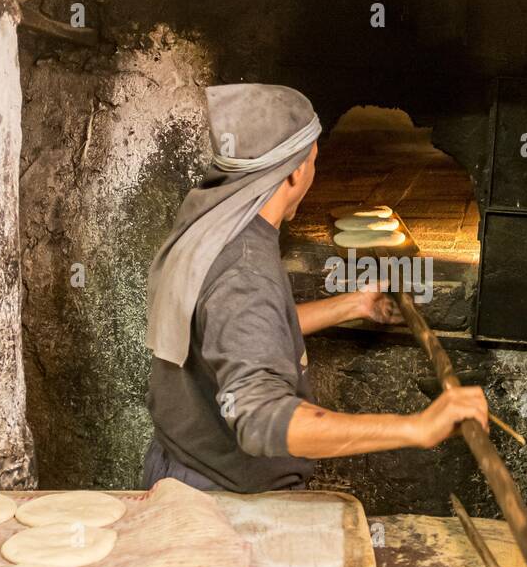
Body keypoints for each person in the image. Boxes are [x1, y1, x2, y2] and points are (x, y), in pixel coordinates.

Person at [142, 83, 487, 493]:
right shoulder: (245, 271)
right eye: (314, 160)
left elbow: (230, 332)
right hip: (223, 500)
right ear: (294, 171)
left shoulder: (210, 224)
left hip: (179, 463)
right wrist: (416, 427)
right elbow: (261, 419)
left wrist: (351, 305)